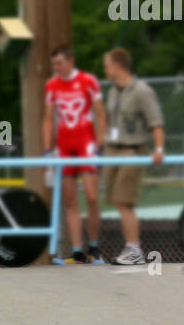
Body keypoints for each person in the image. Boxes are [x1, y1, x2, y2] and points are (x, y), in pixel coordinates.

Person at [42, 46, 107, 264]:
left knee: (91, 196)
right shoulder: (52, 85)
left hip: (85, 143)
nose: (56, 68)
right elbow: (48, 118)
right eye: (54, 64)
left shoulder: (88, 80)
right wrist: (46, 149)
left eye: (59, 63)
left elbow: (100, 112)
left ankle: (95, 246)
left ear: (70, 61)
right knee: (69, 198)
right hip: (64, 145)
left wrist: (100, 143)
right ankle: (78, 250)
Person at [101, 48, 166, 265]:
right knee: (116, 201)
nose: (105, 69)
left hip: (132, 150)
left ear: (118, 65)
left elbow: (156, 123)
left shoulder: (141, 91)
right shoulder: (113, 92)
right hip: (114, 148)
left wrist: (159, 149)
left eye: (107, 65)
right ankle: (131, 247)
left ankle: (134, 250)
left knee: (124, 201)